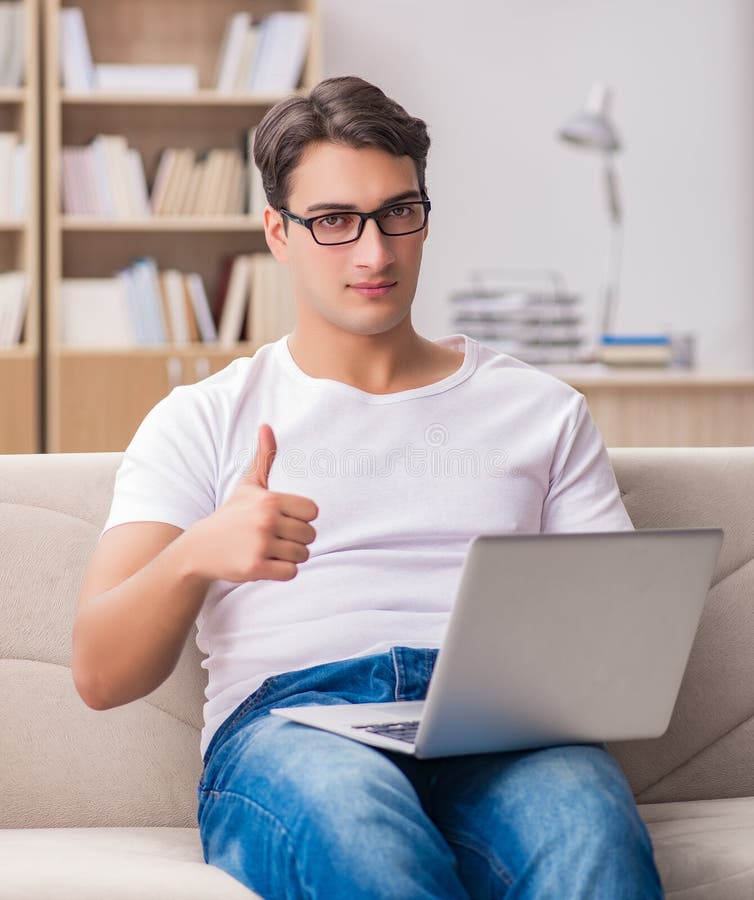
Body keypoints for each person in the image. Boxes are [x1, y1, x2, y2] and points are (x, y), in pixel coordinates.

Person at [71, 75, 664, 899]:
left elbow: (623, 644)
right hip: (293, 727)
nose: (375, 252)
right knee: (360, 833)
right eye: (335, 222)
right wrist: (196, 557)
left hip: (502, 728)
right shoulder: (203, 419)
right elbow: (100, 673)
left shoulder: (541, 410)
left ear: (425, 214)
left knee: (588, 831)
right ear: (277, 232)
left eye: (398, 213)